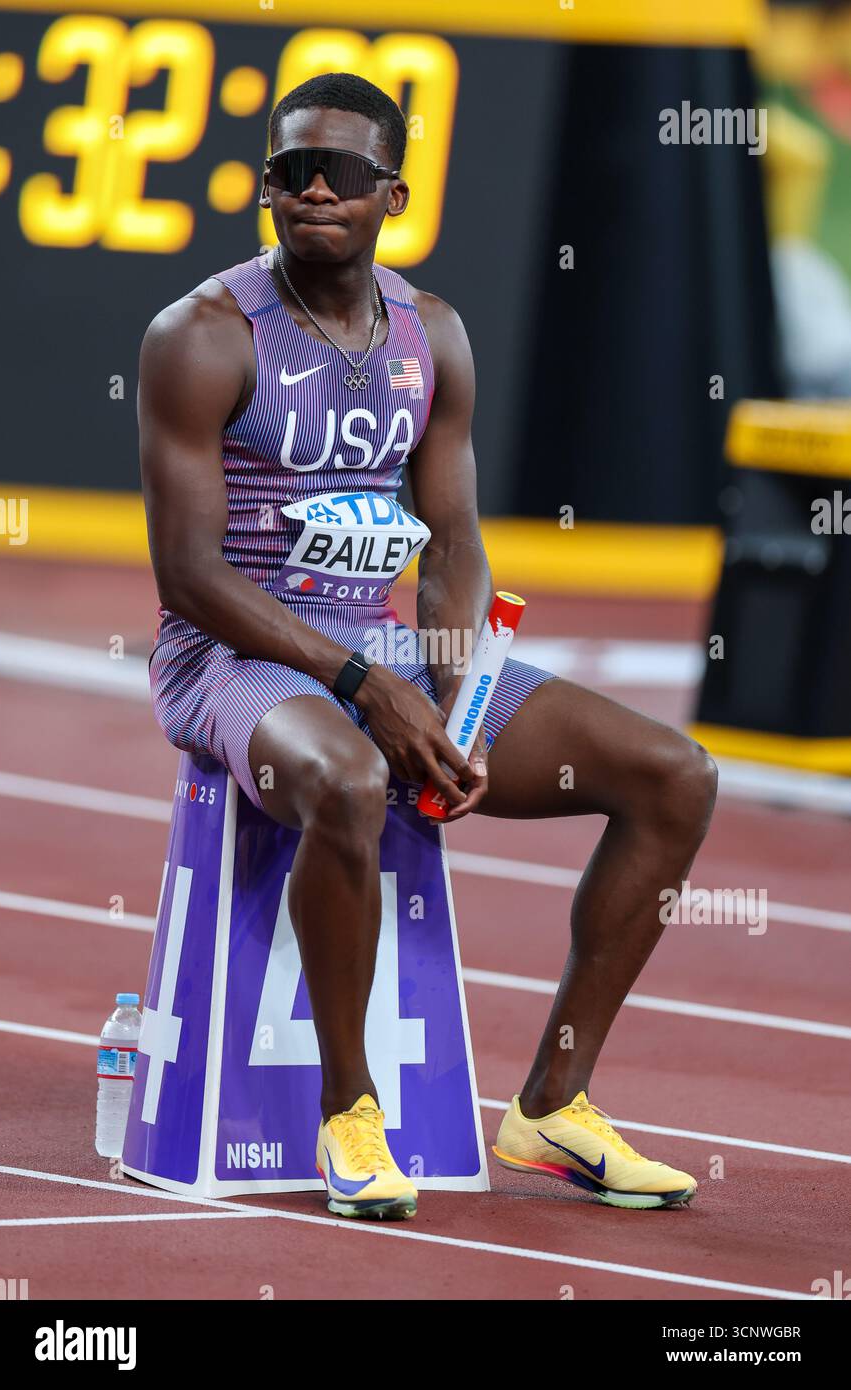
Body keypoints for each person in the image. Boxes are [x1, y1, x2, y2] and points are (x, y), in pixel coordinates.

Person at [138, 72, 717, 1221]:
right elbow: (189, 579)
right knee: (350, 779)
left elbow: (452, 540)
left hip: (388, 650)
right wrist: (361, 685)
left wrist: (458, 694)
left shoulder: (431, 334)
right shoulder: (200, 336)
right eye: (286, 172)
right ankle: (351, 1112)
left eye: (340, 173)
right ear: (263, 189)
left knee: (673, 775)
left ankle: (553, 1101)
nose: (310, 191)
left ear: (389, 195)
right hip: (230, 662)